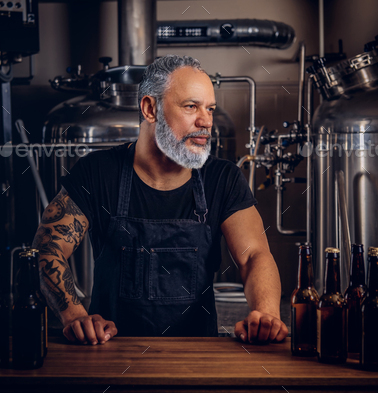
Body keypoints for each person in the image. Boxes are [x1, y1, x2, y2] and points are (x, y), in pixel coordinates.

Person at [32, 54, 288, 345]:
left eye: (210, 109)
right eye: (191, 106)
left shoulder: (222, 178)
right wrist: (74, 315)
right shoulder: (98, 173)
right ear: (150, 108)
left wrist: (266, 313)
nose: (206, 121)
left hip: (198, 359)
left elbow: (254, 256)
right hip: (108, 353)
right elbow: (47, 249)